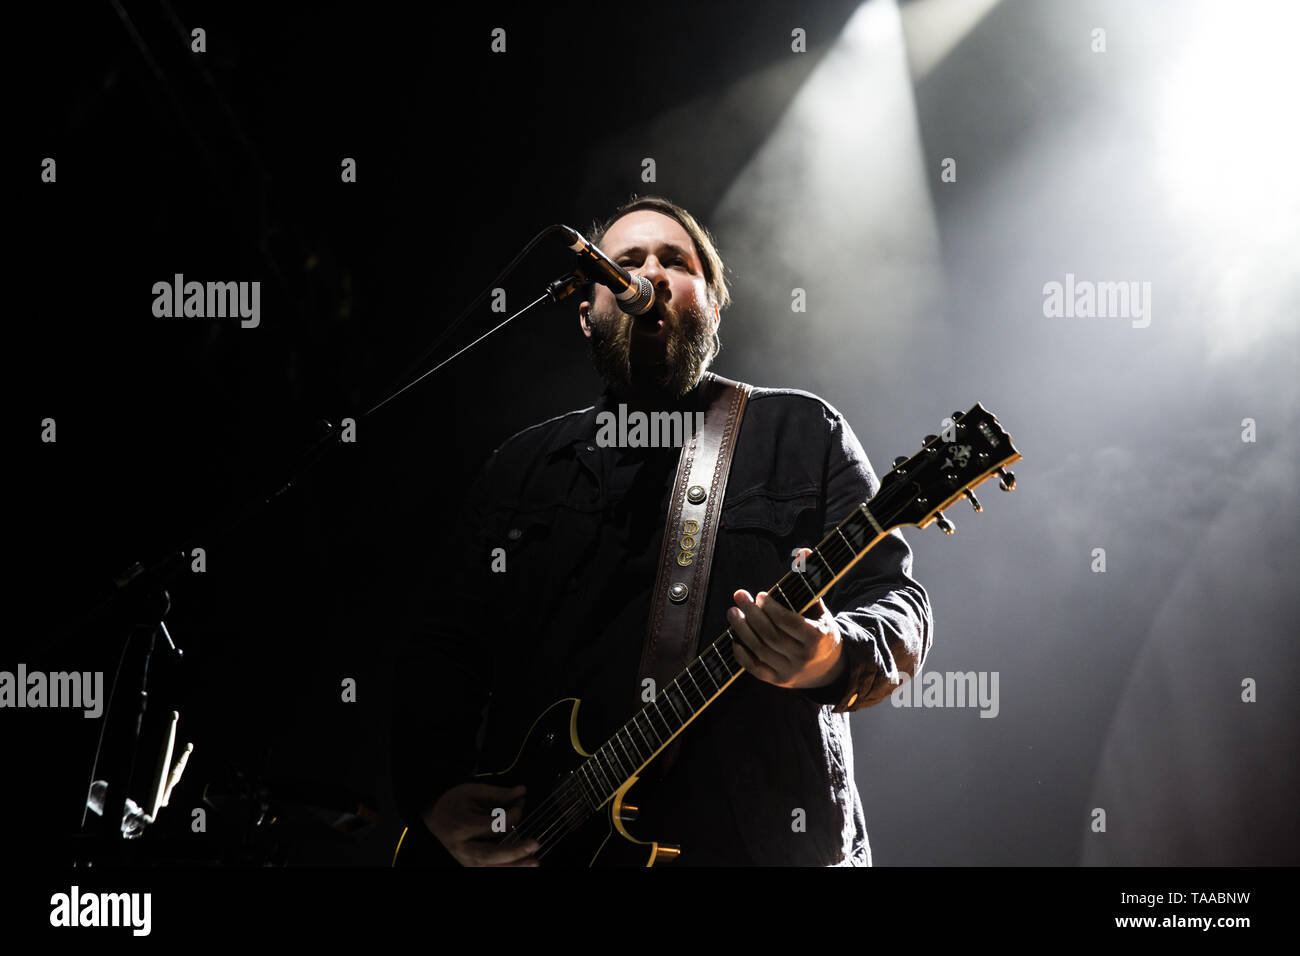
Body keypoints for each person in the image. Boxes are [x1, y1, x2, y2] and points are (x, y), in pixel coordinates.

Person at [390, 196, 933, 866]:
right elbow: (443, 647)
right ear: (586, 311)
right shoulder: (523, 469)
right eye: (624, 263)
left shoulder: (798, 434)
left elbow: (896, 604)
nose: (650, 274)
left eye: (676, 262)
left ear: (710, 305)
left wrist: (829, 655)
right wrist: (432, 791)